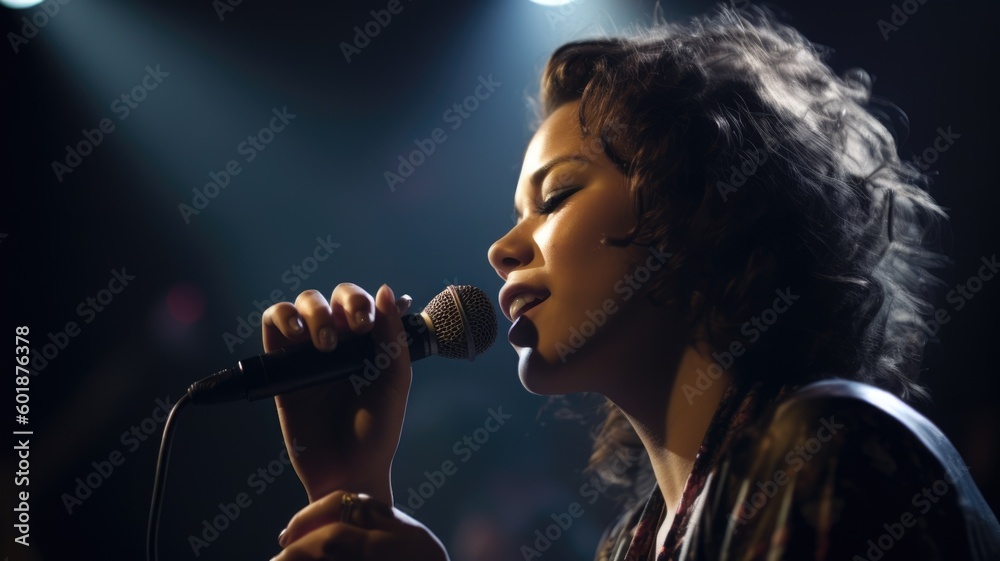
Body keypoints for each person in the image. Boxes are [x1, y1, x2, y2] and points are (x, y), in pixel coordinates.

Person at [261, 6, 1000, 560]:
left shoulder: (831, 448)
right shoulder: (631, 546)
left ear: (698, 198)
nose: (502, 249)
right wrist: (350, 489)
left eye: (553, 199)